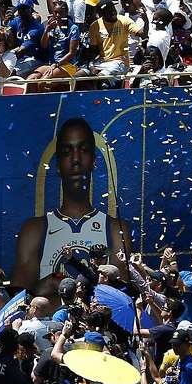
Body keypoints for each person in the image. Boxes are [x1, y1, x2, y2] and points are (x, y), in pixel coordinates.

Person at [13, 117, 134, 296]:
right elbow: (19, 299)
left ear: (94, 160)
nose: (76, 159)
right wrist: (50, 284)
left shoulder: (115, 228)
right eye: (67, 151)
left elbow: (121, 295)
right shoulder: (34, 230)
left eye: (83, 150)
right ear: (57, 164)